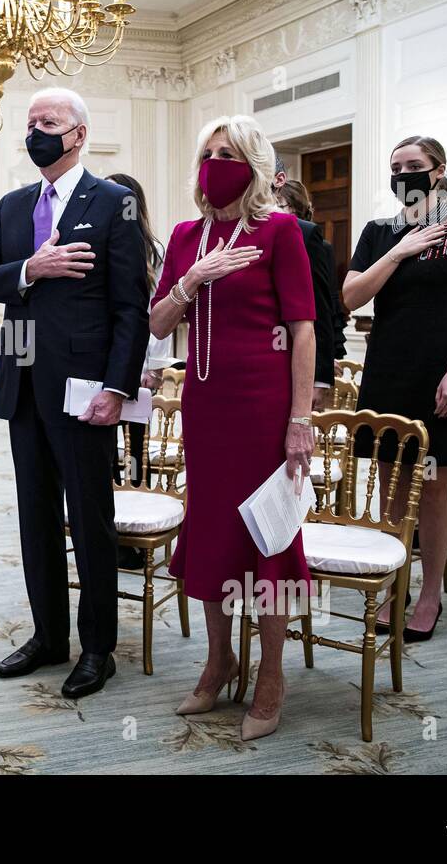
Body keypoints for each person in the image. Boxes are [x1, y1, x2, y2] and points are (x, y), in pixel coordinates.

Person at [0, 87, 149, 700]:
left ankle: (98, 648)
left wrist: (119, 387)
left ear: (79, 134)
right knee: (35, 515)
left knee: (90, 519)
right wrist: (28, 270)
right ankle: (49, 636)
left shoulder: (114, 203)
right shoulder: (14, 206)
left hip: (84, 390)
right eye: (30, 121)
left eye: (50, 121)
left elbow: (132, 307)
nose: (36, 130)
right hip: (22, 380)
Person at [149, 115, 316, 741]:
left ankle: (271, 675)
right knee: (215, 535)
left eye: (228, 153)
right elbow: (159, 323)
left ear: (252, 163)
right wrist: (192, 281)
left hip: (265, 409)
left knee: (266, 539)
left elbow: (303, 329)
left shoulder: (279, 232)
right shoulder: (187, 235)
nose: (215, 162)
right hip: (206, 407)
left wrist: (300, 419)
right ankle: (219, 663)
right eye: (208, 153)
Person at [342, 134, 447, 643]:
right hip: (389, 370)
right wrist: (400, 251)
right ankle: (395, 586)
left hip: (440, 373)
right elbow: (350, 296)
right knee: (390, 487)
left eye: (414, 165)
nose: (403, 174)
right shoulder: (378, 230)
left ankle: (429, 594)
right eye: (395, 166)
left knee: (432, 488)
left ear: (438, 170)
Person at [105, 172, 167, 571]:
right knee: (107, 451)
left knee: (137, 450)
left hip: (138, 364)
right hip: (103, 364)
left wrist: (152, 368)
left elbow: (156, 315)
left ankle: (137, 534)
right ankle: (112, 532)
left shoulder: (152, 250)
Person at [272, 162, 336, 410]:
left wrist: (319, 377)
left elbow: (321, 307)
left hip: (293, 352)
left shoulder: (306, 234)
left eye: (282, 206)